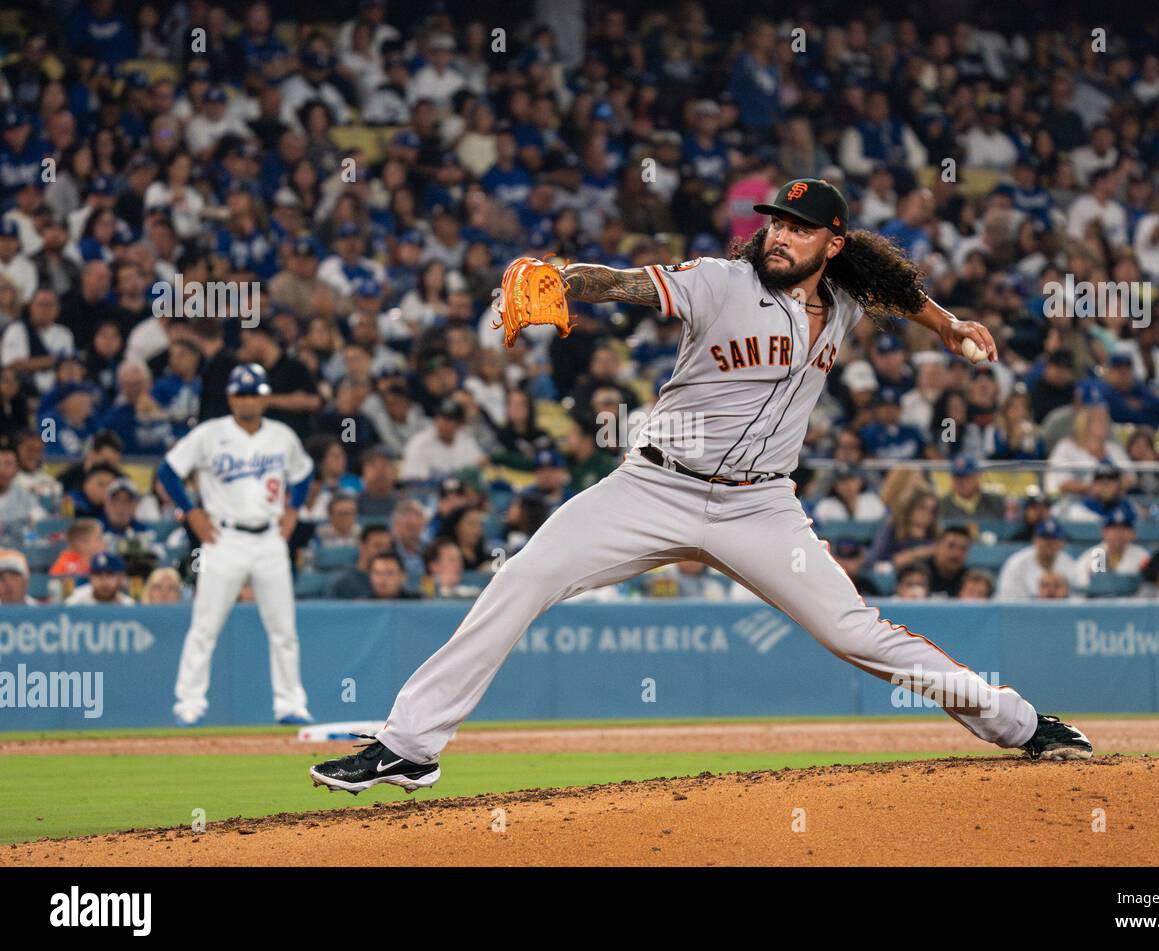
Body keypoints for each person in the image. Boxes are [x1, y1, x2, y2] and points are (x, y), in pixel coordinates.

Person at [312, 178, 1090, 795]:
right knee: (522, 577)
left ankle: (1020, 725)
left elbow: (897, 292)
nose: (779, 235)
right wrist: (563, 277)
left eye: (798, 227)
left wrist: (950, 327)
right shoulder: (720, 280)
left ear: (833, 243)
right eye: (774, 222)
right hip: (654, 489)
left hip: (760, 506)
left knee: (856, 634)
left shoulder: (845, 298)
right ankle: (411, 747)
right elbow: (626, 285)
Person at [158, 363, 315, 726]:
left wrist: (293, 509)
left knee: (284, 629)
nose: (248, 400)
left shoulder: (282, 435)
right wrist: (190, 512)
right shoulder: (209, 434)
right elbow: (168, 471)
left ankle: (290, 703)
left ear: (264, 398)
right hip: (223, 537)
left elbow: (304, 474)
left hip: (271, 537)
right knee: (205, 625)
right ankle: (189, 702)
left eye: (255, 393)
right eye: (242, 393)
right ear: (230, 396)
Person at [995, 518, 1075, 600]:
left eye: (1054, 539)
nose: (1049, 543)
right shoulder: (1017, 564)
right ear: (1035, 540)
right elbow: (1008, 599)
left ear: (1062, 543)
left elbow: (1077, 598)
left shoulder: (1069, 563)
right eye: (1045, 538)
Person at [65, 550, 134, 605]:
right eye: (97, 574)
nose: (104, 581)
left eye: (110, 575)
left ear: (120, 578)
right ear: (90, 577)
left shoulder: (128, 605)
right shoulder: (74, 602)